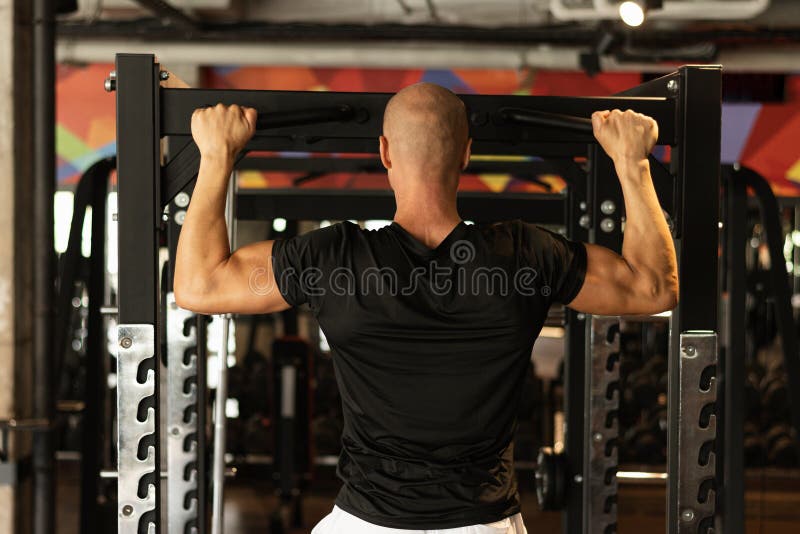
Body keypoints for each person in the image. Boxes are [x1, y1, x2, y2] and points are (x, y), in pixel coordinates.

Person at [174, 83, 678, 534]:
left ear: (385, 153)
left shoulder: (332, 259)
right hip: (484, 526)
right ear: (465, 155)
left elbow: (199, 286)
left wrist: (217, 157)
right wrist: (631, 165)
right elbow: (653, 287)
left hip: (365, 524)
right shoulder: (525, 257)